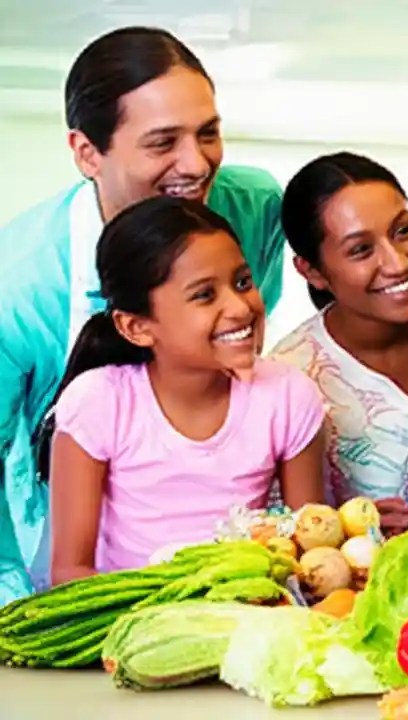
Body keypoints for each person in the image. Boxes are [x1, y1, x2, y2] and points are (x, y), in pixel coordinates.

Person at [0, 27, 288, 598]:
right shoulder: (19, 285)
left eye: (208, 133)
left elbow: (233, 351)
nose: (197, 164)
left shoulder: (254, 210)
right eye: (163, 143)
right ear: (87, 152)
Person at [35, 197, 324, 583]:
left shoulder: (288, 396)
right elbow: (70, 571)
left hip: (246, 612)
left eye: (242, 282)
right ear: (137, 327)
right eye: (205, 294)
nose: (240, 307)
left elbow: (311, 545)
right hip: (126, 625)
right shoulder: (99, 402)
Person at [270, 152, 408, 536]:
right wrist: (343, 528)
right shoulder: (291, 381)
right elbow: (279, 532)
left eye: (403, 230)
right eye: (360, 250)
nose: (397, 262)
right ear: (311, 270)